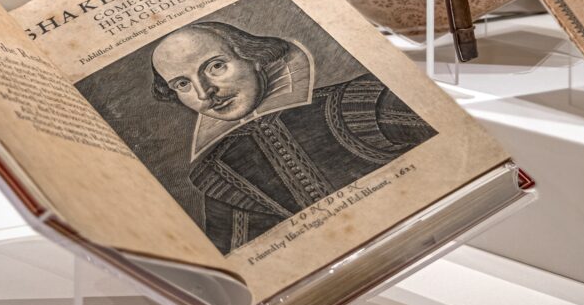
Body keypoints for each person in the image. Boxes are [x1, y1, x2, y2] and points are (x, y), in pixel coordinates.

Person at [150, 20, 433, 255]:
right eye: (183, 84)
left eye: (215, 67)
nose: (203, 92)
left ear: (254, 58)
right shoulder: (220, 174)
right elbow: (246, 263)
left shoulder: (358, 105)